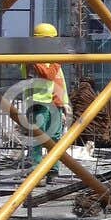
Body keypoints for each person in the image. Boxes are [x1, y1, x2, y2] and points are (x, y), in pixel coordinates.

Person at [21, 23, 69, 173]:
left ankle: (53, 170)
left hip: (53, 103)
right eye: (50, 40)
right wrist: (58, 60)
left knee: (54, 137)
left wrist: (64, 103)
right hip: (37, 103)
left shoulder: (50, 58)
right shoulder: (33, 57)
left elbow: (60, 83)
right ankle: (37, 170)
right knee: (38, 137)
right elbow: (47, 75)